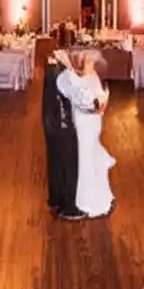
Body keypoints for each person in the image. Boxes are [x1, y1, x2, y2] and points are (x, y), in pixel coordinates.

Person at [54, 49, 115, 217]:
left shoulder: (89, 78)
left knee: (87, 159)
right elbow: (70, 87)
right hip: (86, 124)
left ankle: (90, 201)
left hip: (89, 125)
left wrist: (69, 68)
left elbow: (88, 100)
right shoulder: (78, 77)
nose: (89, 63)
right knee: (88, 159)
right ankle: (93, 197)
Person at [41, 55, 85, 220]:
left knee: (56, 159)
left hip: (52, 122)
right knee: (69, 162)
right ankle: (69, 207)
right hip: (62, 123)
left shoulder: (52, 70)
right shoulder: (61, 75)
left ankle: (56, 198)